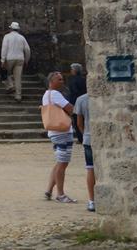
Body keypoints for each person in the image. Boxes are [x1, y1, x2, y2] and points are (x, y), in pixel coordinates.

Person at [42, 71, 77, 203]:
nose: (62, 82)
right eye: (59, 80)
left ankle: (49, 190)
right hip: (62, 131)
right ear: (52, 81)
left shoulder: (46, 94)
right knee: (63, 163)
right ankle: (60, 193)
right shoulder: (55, 94)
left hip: (54, 131)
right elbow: (69, 108)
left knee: (59, 161)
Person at [0, 21, 31, 102]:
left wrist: (2, 60)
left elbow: (4, 48)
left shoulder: (7, 37)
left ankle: (10, 86)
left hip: (9, 58)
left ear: (10, 29)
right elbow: (27, 49)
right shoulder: (22, 38)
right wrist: (27, 59)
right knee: (18, 78)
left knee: (6, 73)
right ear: (18, 29)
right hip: (20, 59)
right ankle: (18, 96)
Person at [75, 92, 95, 212]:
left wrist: (85, 134)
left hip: (88, 138)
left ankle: (92, 200)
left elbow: (79, 123)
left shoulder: (81, 99)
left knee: (90, 168)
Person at [67, 63, 87, 143]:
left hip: (75, 102)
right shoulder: (84, 79)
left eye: (72, 69)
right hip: (85, 101)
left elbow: (74, 92)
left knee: (77, 121)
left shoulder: (73, 80)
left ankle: (81, 138)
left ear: (74, 71)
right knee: (85, 120)